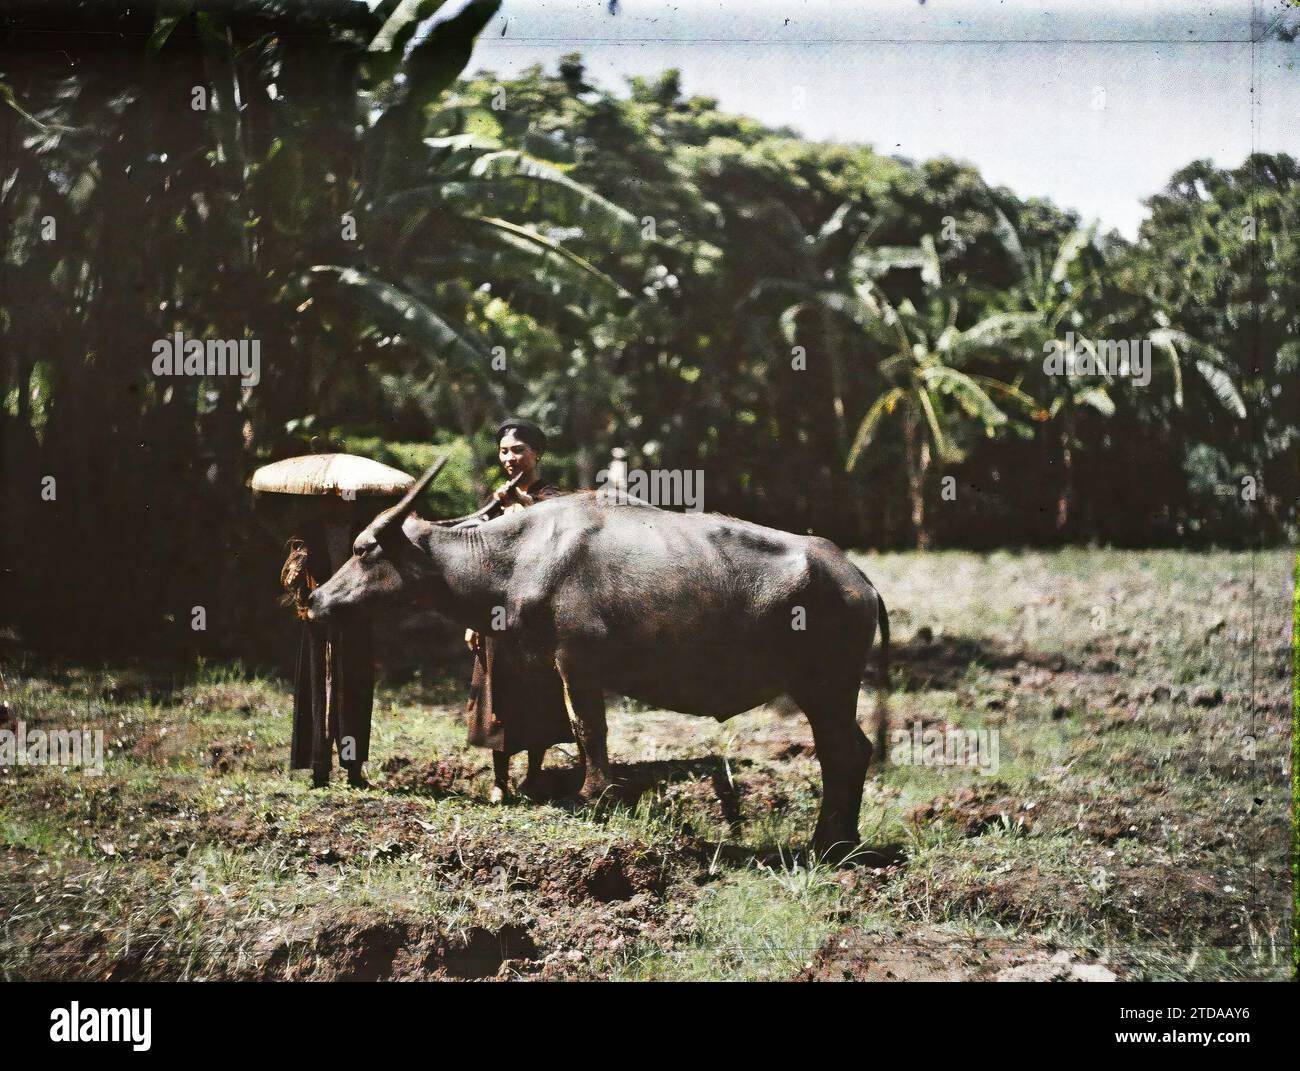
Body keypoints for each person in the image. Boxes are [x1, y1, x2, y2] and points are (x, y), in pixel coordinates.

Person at [464, 418, 575, 802]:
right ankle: (499, 780)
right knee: (497, 689)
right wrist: (472, 620)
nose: (509, 458)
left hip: (536, 615)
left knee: (538, 690)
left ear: (536, 454)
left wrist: (525, 507)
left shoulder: (553, 499)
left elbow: (557, 546)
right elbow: (481, 565)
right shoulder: (494, 503)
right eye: (503, 451)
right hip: (496, 612)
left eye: (518, 450)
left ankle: (534, 774)